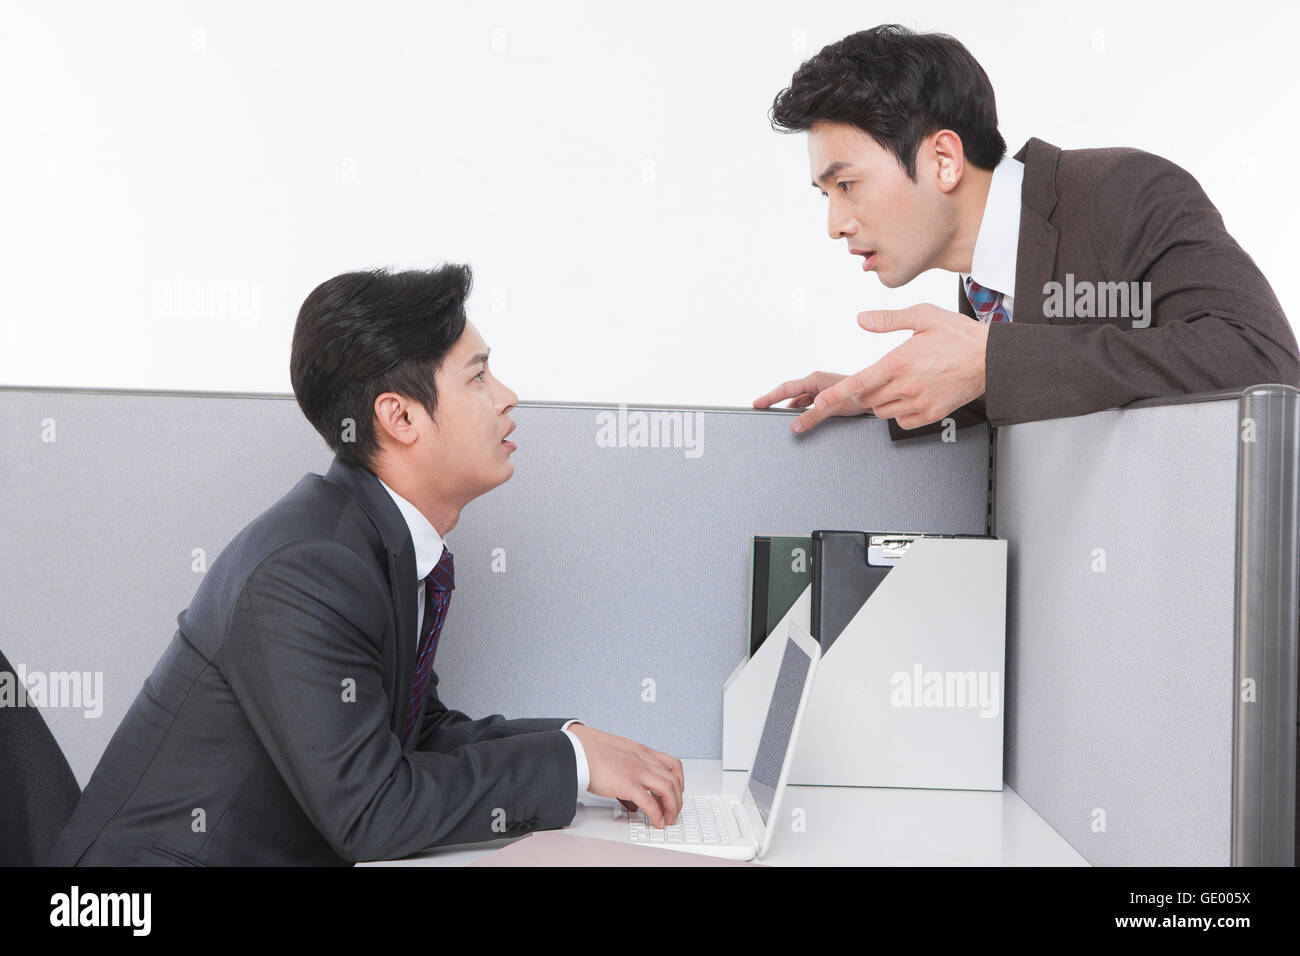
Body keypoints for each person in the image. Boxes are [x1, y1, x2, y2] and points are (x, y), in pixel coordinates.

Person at [47, 265, 683, 866]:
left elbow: (416, 732)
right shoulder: (309, 568)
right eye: (478, 377)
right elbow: (374, 809)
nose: (508, 398)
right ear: (399, 416)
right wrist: (567, 763)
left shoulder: (369, 542)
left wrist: (576, 745)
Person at [752, 24, 1299, 441]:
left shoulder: (1122, 190)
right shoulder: (981, 286)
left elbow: (1261, 361)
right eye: (827, 196)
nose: (835, 225)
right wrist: (880, 395)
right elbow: (1057, 384)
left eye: (847, 184)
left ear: (944, 159)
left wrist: (991, 361)